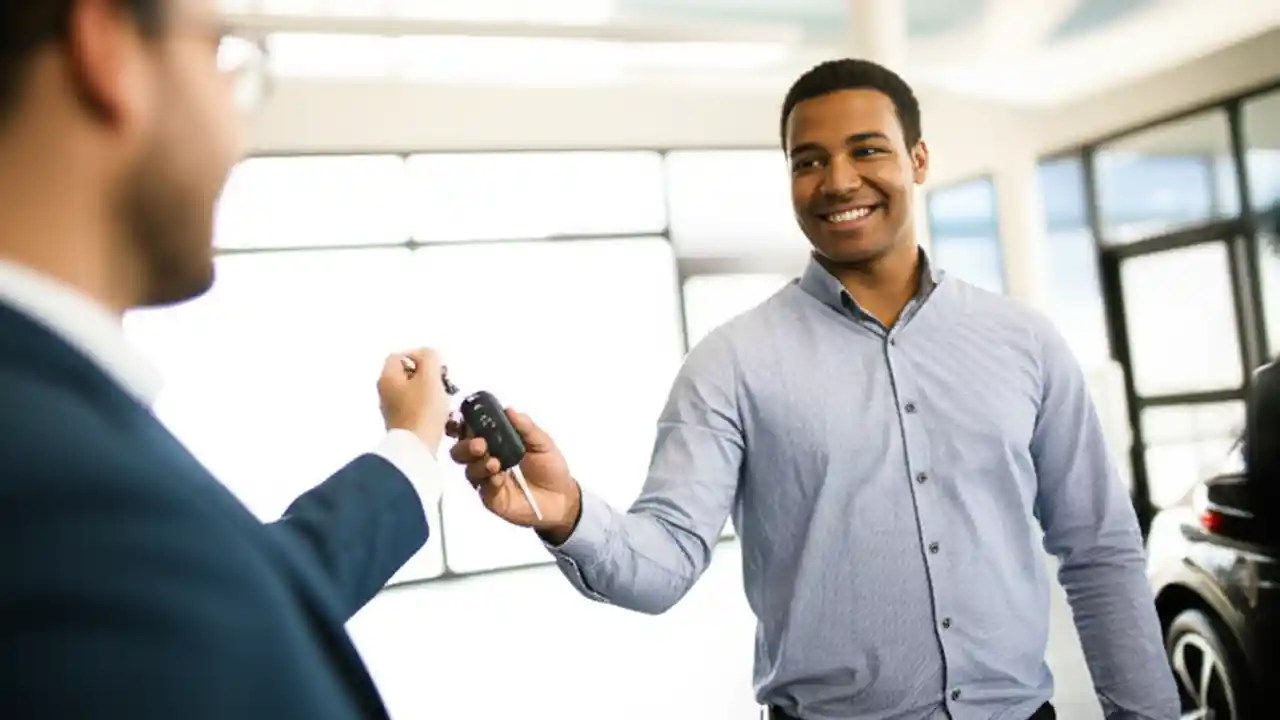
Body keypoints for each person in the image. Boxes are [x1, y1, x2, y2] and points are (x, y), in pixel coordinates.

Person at [449, 59, 1180, 719]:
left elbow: (1100, 550)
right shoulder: (730, 363)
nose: (837, 181)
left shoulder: (1026, 342)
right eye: (809, 160)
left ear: (918, 160)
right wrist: (566, 509)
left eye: (867, 149)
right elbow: (665, 563)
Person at [0, 1, 448, 717]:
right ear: (105, 46)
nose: (240, 132)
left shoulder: (60, 455)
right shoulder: (53, 488)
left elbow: (230, 599)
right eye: (219, 53)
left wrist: (409, 450)